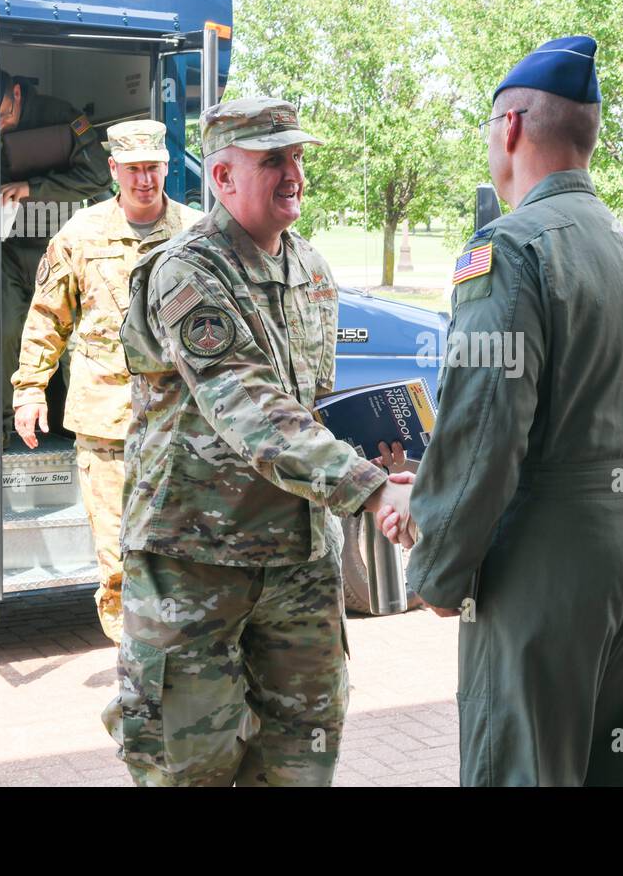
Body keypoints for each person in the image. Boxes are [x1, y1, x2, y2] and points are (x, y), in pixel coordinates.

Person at [379, 36, 623, 786]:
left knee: (519, 768)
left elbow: (488, 426)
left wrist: (439, 567)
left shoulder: (509, 248)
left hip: (555, 552)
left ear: (511, 127)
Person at [101, 97, 412, 787]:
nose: (294, 174)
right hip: (194, 562)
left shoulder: (313, 271)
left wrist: (387, 464)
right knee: (189, 763)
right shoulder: (186, 271)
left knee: (302, 759)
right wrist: (366, 489)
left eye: (298, 157)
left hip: (297, 562)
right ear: (222, 175)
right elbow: (249, 408)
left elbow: (308, 409)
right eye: (273, 160)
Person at [10, 119, 201, 644]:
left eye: (154, 168)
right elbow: (48, 317)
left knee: (183, 546)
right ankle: (133, 659)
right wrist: (29, 390)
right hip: (106, 420)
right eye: (134, 169)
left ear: (167, 166)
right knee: (118, 552)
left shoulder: (199, 234)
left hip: (182, 421)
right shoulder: (79, 235)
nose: (146, 180)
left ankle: (183, 657)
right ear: (114, 170)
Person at [0, 69, 113, 438]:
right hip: (8, 246)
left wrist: (32, 187)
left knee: (67, 341)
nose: (0, 125)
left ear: (17, 92)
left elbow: (97, 178)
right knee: (7, 329)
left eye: (4, 115)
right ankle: (5, 424)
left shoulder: (64, 118)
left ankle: (71, 425)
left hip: (59, 247)